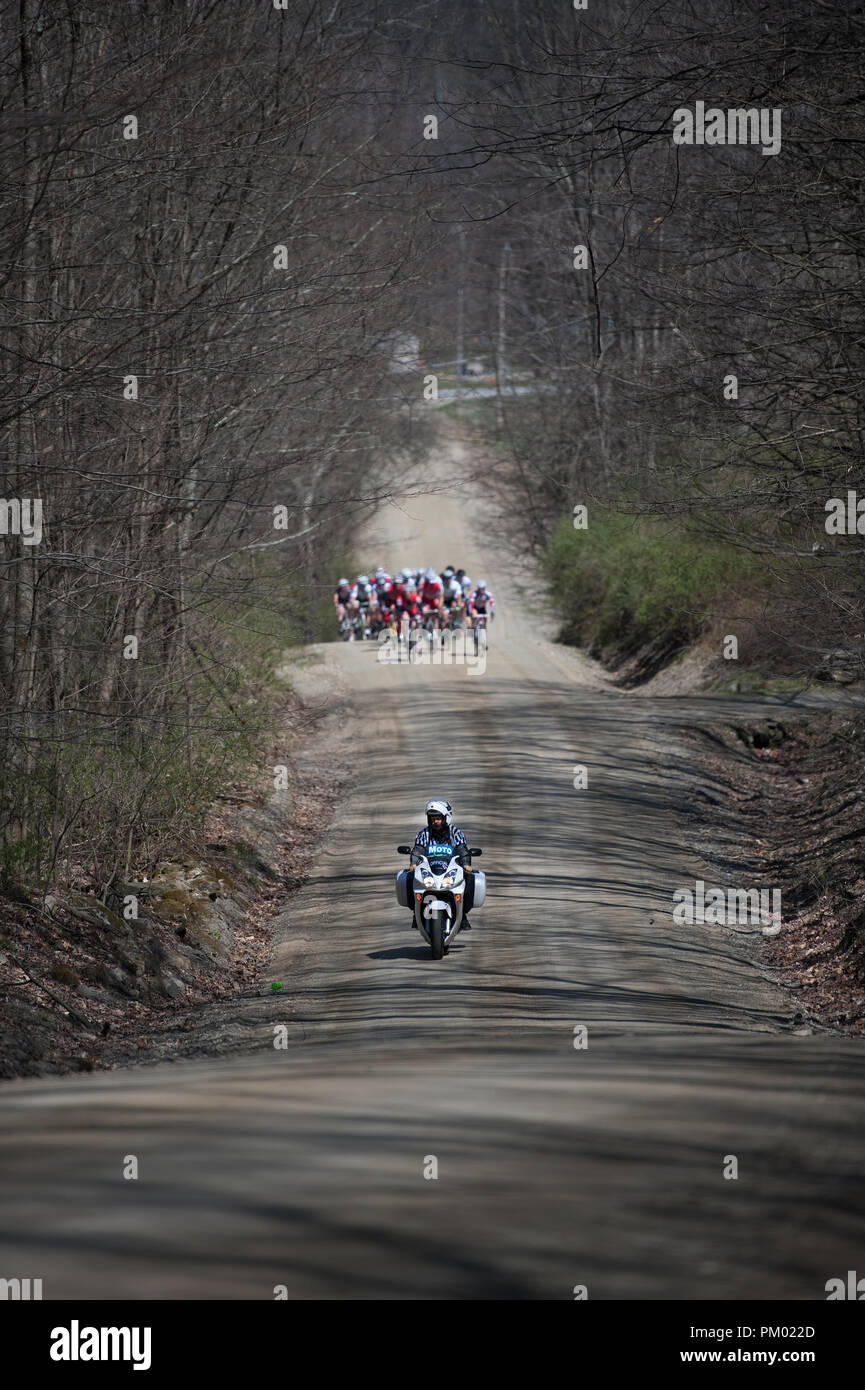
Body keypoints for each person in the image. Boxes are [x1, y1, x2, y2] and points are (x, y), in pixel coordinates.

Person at [408, 799, 473, 930]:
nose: (435, 821)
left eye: (438, 818)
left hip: (450, 871)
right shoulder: (424, 834)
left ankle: (463, 915)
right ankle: (416, 912)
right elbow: (418, 849)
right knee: (408, 877)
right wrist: (413, 863)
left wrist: (466, 864)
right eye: (432, 818)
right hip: (430, 871)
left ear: (446, 818)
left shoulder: (455, 833)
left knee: (471, 878)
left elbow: (462, 849)